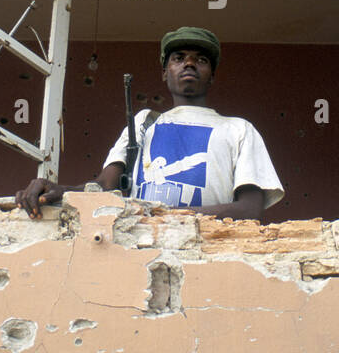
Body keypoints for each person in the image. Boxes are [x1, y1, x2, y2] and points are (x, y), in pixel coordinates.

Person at [15, 27, 284, 220]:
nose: (189, 63)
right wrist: (59, 191)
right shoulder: (143, 123)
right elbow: (105, 187)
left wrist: (164, 217)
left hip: (210, 253)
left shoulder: (239, 129)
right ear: (165, 73)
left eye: (200, 60)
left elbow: (249, 210)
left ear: (211, 76)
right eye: (178, 58)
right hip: (141, 254)